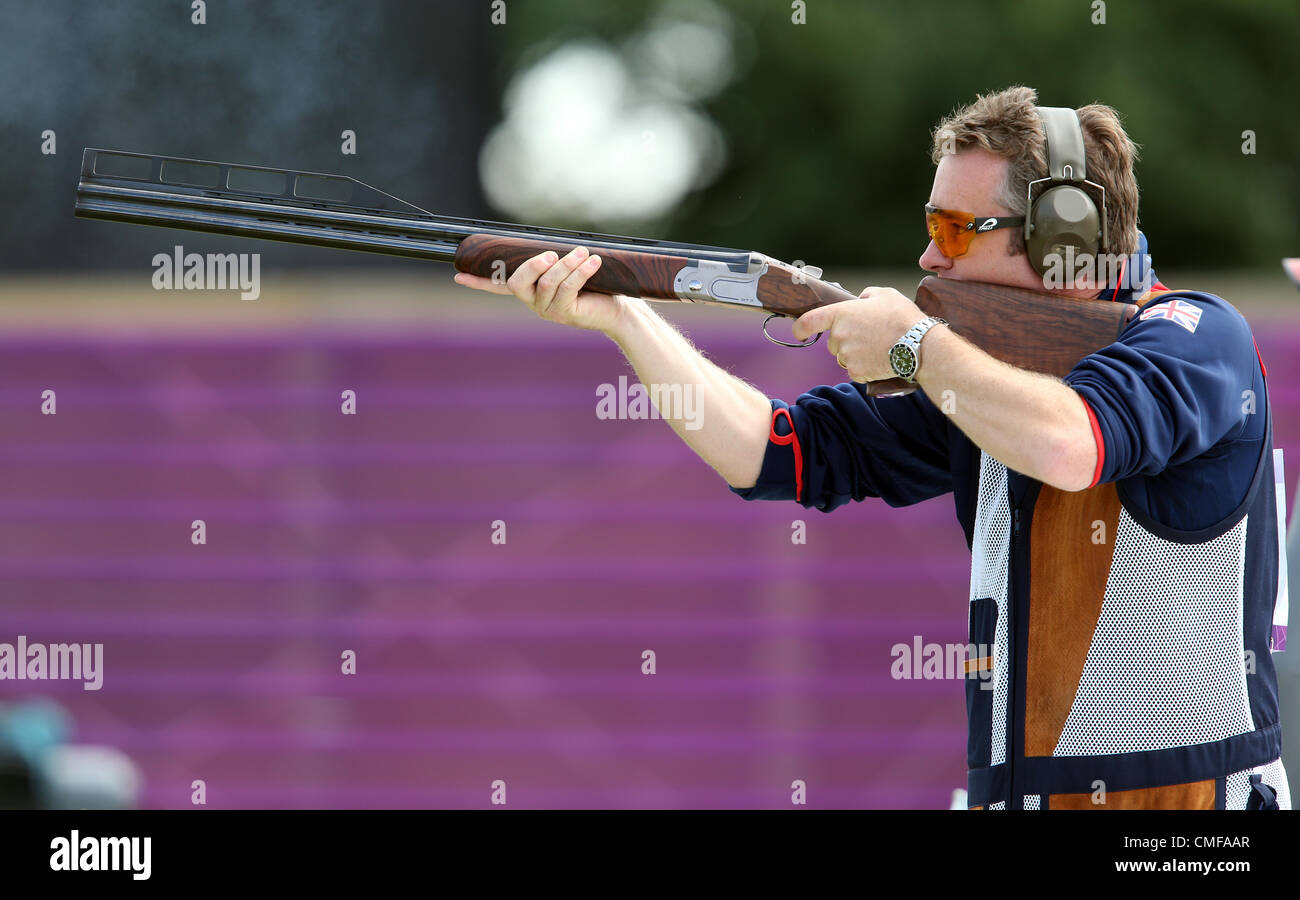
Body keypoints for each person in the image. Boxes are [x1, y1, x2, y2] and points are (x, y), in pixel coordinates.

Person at [453, 85, 1289, 810]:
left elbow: (1074, 444)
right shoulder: (987, 383)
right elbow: (772, 454)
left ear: (1064, 235)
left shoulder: (1196, 338)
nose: (929, 254)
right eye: (932, 223)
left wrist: (917, 348)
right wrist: (624, 319)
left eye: (959, 229)